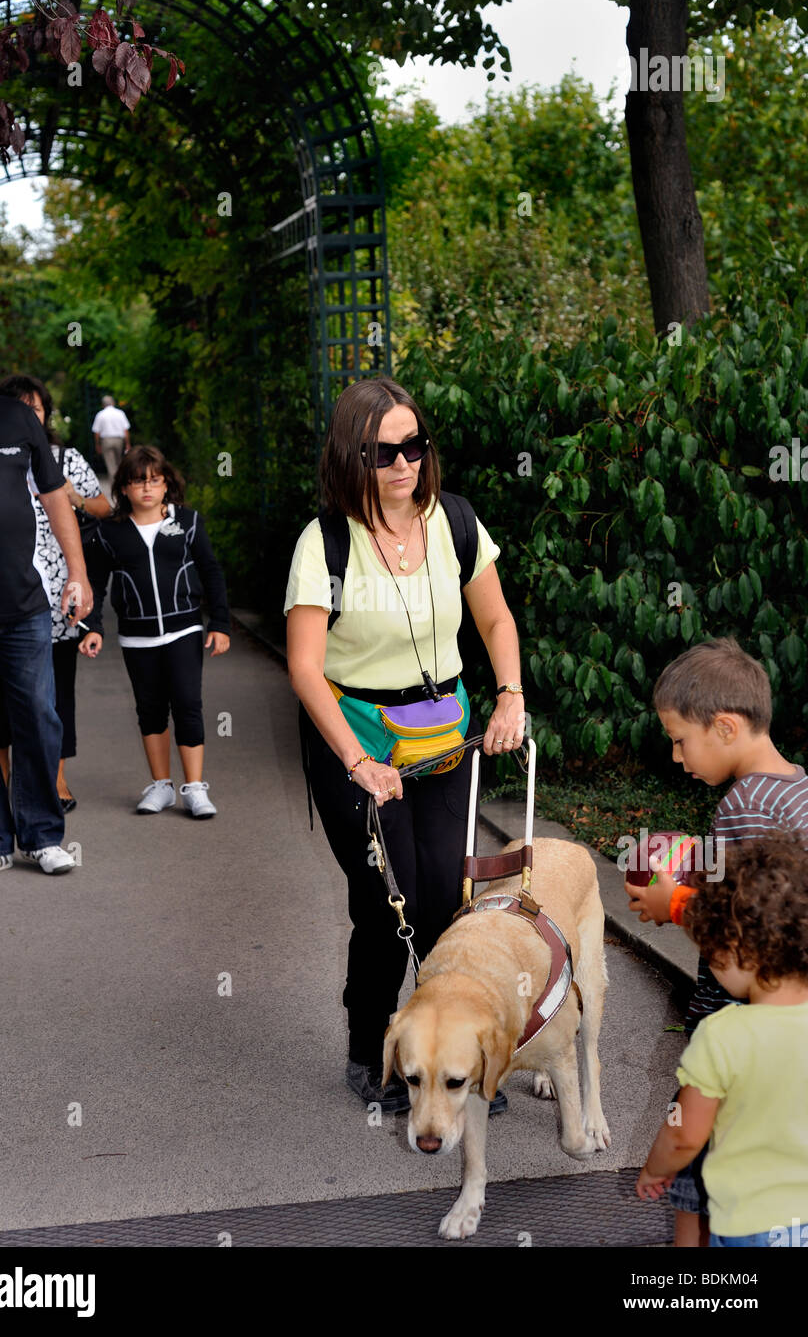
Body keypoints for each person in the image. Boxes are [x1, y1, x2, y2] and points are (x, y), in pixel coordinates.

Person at [285, 376, 526, 1113]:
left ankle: (449, 1056)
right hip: (353, 736)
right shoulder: (324, 542)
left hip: (444, 735)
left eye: (413, 446)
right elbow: (303, 666)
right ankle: (370, 1052)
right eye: (384, 450)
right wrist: (358, 764)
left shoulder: (453, 522)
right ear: (352, 454)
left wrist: (510, 691)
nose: (402, 464)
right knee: (387, 900)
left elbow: (495, 621)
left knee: (448, 900)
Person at [624, 637, 808, 1245]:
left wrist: (669, 901)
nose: (677, 756)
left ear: (726, 727)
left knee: (696, 1154)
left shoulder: (742, 805)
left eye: (680, 739)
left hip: (734, 1010)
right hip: (788, 1013)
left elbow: (738, 918)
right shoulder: (799, 788)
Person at [0, 323, 93, 881]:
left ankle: (42, 837)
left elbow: (56, 498)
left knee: (38, 719)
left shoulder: (16, 419)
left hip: (25, 608)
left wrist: (77, 573)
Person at [636, 833, 808, 1247]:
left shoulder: (724, 1034)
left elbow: (684, 1133)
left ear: (735, 949)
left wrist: (657, 1168)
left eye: (711, 950)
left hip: (750, 1224)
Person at [79, 445, 230, 817]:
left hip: (184, 630)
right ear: (124, 489)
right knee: (150, 710)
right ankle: (161, 786)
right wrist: (92, 627)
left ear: (166, 485)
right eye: (137, 482)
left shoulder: (188, 522)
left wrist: (221, 624)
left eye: (154, 481)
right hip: (136, 637)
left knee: (187, 705)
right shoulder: (110, 531)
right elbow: (96, 582)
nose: (146, 488)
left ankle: (194, 788)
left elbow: (211, 571)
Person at [0, 374, 111, 812]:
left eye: (35, 408)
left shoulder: (64, 457)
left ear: (45, 414)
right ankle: (7, 783)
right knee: (0, 694)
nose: (28, 415)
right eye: (19, 406)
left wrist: (67, 495)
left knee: (56, 693)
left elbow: (102, 507)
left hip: (58, 593)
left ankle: (56, 780)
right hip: (0, 590)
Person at [92, 395, 131, 480]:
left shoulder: (100, 415)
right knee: (119, 462)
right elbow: (125, 430)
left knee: (111, 465)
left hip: (106, 441)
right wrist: (127, 443)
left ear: (103, 404)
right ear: (113, 403)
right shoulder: (120, 413)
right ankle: (121, 483)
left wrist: (97, 444)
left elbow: (97, 432)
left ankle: (115, 486)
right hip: (119, 440)